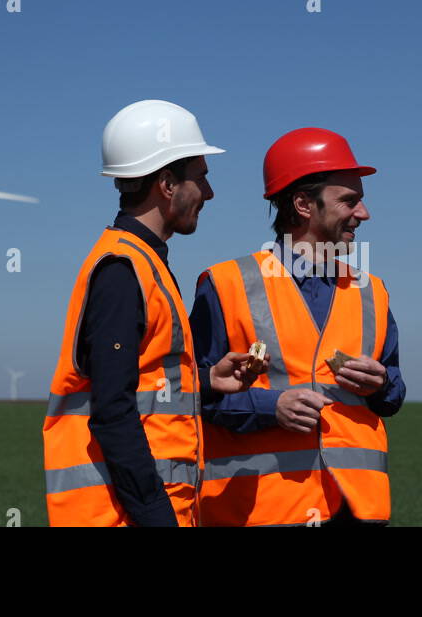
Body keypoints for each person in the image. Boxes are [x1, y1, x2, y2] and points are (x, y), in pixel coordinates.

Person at [43, 100, 262, 527]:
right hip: (120, 518)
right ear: (166, 183)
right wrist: (157, 517)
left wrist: (207, 382)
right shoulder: (123, 271)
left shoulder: (144, 264)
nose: (210, 193)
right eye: (201, 178)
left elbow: (143, 386)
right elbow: (112, 411)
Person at [190, 128, 407, 526]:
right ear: (304, 204)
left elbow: (392, 394)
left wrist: (382, 385)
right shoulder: (225, 284)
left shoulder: (373, 292)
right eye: (350, 201)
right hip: (261, 512)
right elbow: (193, 392)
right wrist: (271, 407)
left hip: (356, 509)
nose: (364, 214)